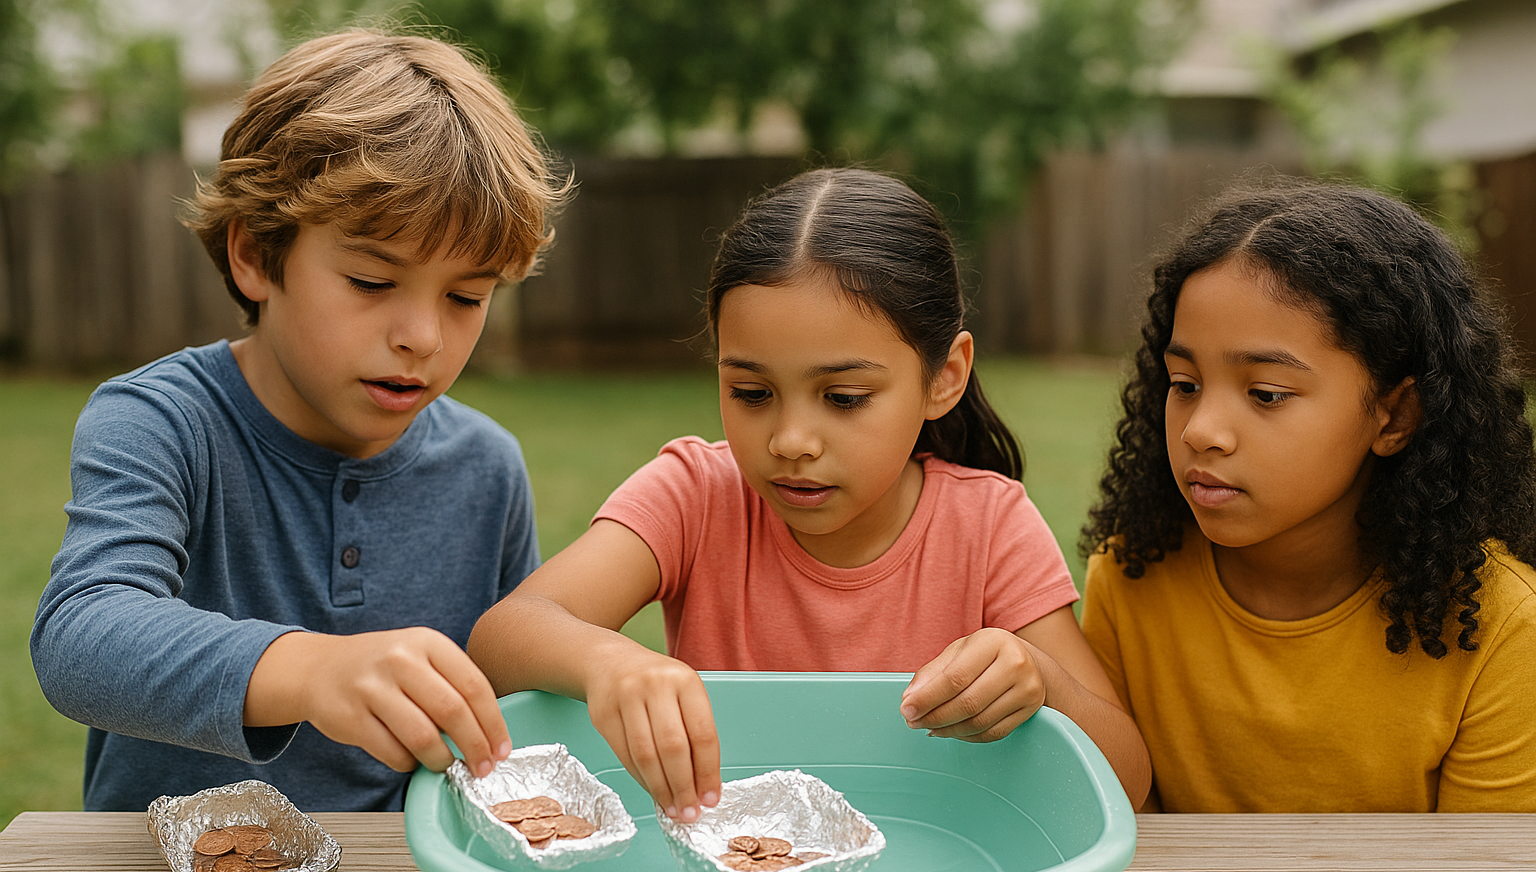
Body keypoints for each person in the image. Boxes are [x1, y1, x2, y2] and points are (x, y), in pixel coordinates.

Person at [468, 167, 1151, 821]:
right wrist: (607, 662)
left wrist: (1044, 685)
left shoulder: (989, 526)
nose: (791, 440)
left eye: (844, 397)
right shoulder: (695, 496)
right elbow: (504, 635)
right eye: (751, 392)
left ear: (945, 377)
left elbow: (1126, 778)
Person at [31, 30, 568, 811]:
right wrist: (311, 669)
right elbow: (81, 636)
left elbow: (513, 695)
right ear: (254, 255)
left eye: (466, 297)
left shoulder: (487, 467)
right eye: (372, 280)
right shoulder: (160, 422)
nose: (423, 336)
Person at [1080, 179, 1536, 813]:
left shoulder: (1502, 628)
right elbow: (1121, 828)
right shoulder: (1131, 573)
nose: (1200, 431)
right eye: (1184, 384)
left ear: (1395, 416)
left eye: (1266, 394)